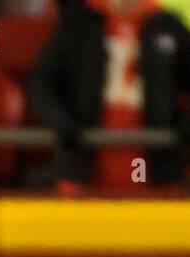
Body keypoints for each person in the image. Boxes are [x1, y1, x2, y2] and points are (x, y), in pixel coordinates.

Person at [28, 0, 190, 193]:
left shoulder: (168, 25)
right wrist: (61, 121)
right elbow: (42, 80)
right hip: (82, 159)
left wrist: (182, 122)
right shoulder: (79, 23)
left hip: (158, 161)